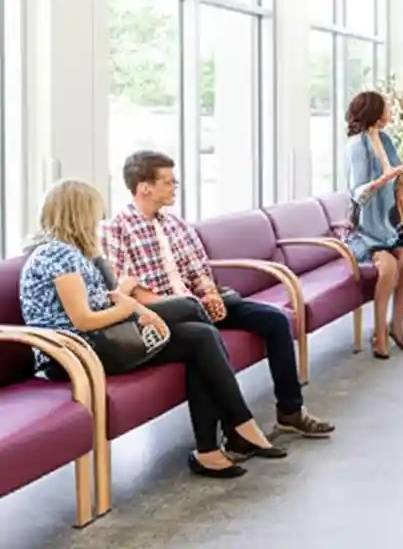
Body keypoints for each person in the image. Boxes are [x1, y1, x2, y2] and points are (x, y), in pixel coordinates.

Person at [21, 179, 282, 478]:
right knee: (197, 326)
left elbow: (107, 297)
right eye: (94, 212)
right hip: (75, 354)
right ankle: (237, 426)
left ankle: (216, 445)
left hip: (98, 341)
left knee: (200, 333)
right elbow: (83, 319)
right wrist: (131, 308)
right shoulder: (57, 255)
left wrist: (134, 304)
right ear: (78, 214)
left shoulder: (75, 253)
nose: (99, 219)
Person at [101, 151, 334, 443]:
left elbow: (198, 266)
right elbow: (125, 286)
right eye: (168, 182)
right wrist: (187, 304)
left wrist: (210, 294)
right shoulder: (116, 229)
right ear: (144, 187)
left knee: (275, 319)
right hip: (164, 314)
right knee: (205, 333)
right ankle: (235, 433)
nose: (175, 187)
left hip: (196, 304)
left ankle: (291, 412)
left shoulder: (174, 223)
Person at [345, 90, 403, 358]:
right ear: (375, 113)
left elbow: (400, 178)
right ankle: (378, 334)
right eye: (386, 107)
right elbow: (358, 193)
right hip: (364, 232)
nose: (389, 111)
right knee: (387, 267)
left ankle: (396, 327)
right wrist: (383, 179)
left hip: (386, 230)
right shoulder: (356, 146)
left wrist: (401, 179)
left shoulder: (386, 140)